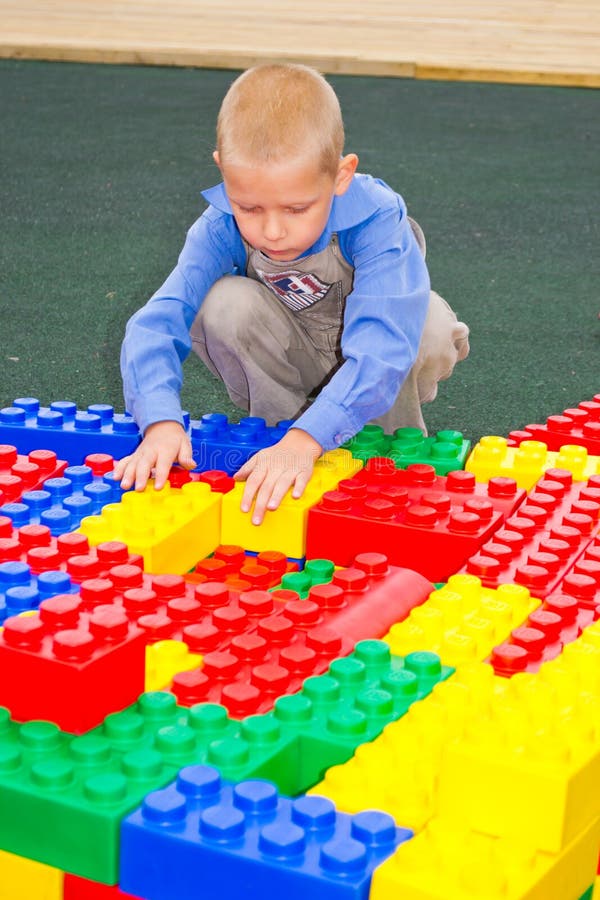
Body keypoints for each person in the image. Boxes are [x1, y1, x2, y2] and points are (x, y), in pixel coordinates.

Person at [115, 63, 469, 524]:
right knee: (222, 303)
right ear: (224, 171)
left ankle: (392, 448)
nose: (273, 230)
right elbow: (157, 323)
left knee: (424, 323)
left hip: (381, 360)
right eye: (250, 207)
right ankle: (283, 439)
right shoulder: (219, 225)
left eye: (298, 208)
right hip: (289, 354)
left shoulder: (377, 217)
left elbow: (382, 345)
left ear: (341, 177)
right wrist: (159, 421)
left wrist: (314, 435)